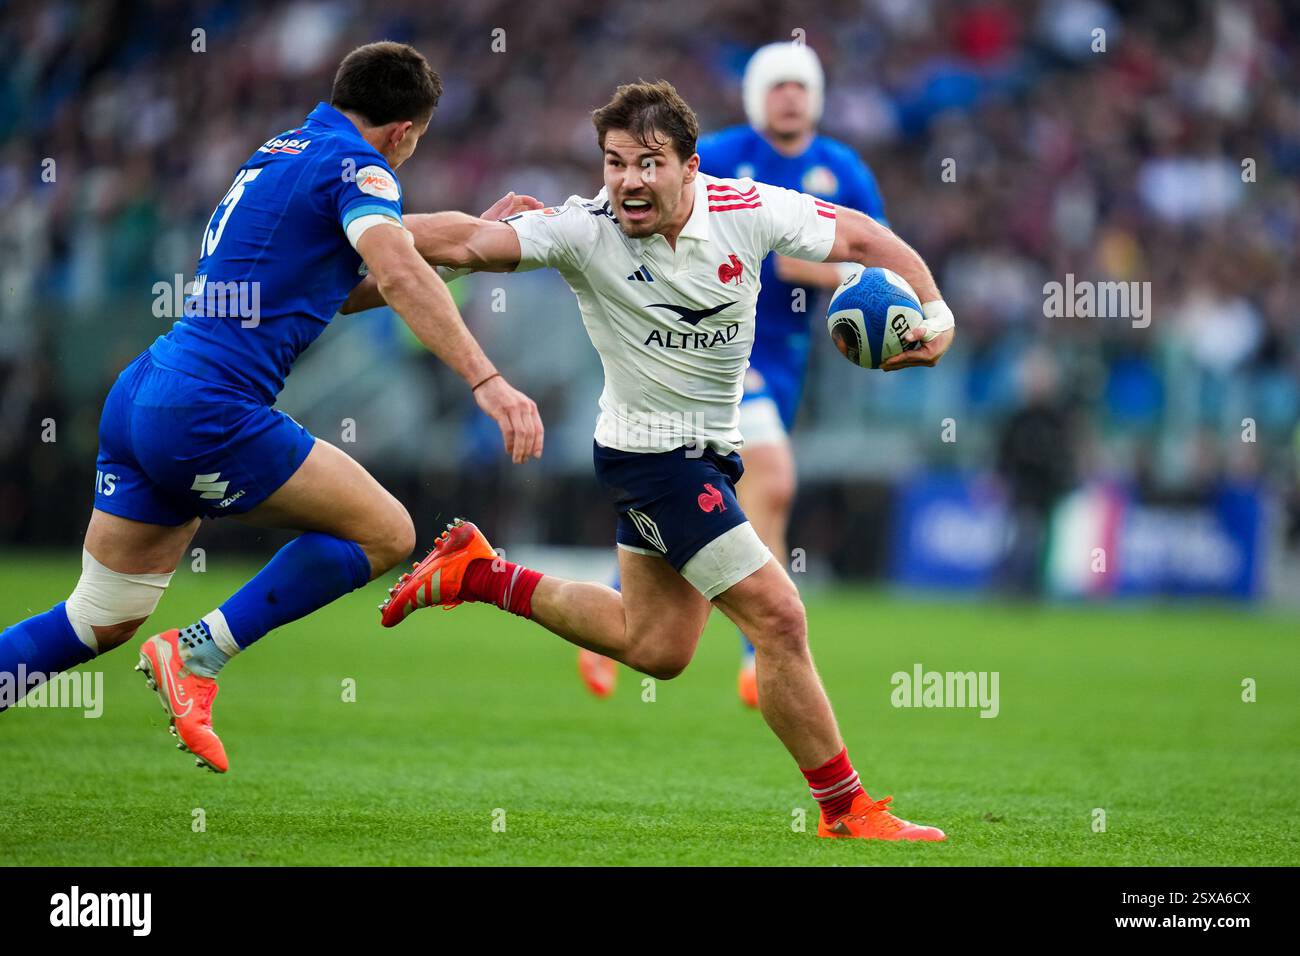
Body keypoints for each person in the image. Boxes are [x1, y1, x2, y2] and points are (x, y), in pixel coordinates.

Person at [371, 79, 956, 841]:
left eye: (648, 163)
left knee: (659, 647)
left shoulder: (745, 210)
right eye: (615, 162)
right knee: (779, 617)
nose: (628, 181)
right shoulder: (583, 228)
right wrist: (361, 223)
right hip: (654, 462)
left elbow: (863, 237)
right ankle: (847, 810)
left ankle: (477, 573)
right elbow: (467, 241)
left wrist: (936, 312)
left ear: (689, 167)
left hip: (707, 455)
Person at [0, 42, 544, 774]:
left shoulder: (282, 150)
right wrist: (487, 380)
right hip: (207, 409)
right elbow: (394, 264)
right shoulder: (361, 166)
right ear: (405, 130)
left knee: (96, 617)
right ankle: (197, 655)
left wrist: (458, 240)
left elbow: (333, 285)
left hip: (147, 392)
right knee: (387, 532)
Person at [576, 42, 890, 706]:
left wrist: (830, 276)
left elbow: (871, 259)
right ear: (756, 94)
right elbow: (640, 212)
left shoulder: (842, 168)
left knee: (719, 484)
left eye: (800, 87)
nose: (789, 98)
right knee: (772, 479)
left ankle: (612, 600)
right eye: (776, 86)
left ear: (817, 96)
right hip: (712, 342)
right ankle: (758, 650)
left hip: (788, 355)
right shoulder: (717, 153)